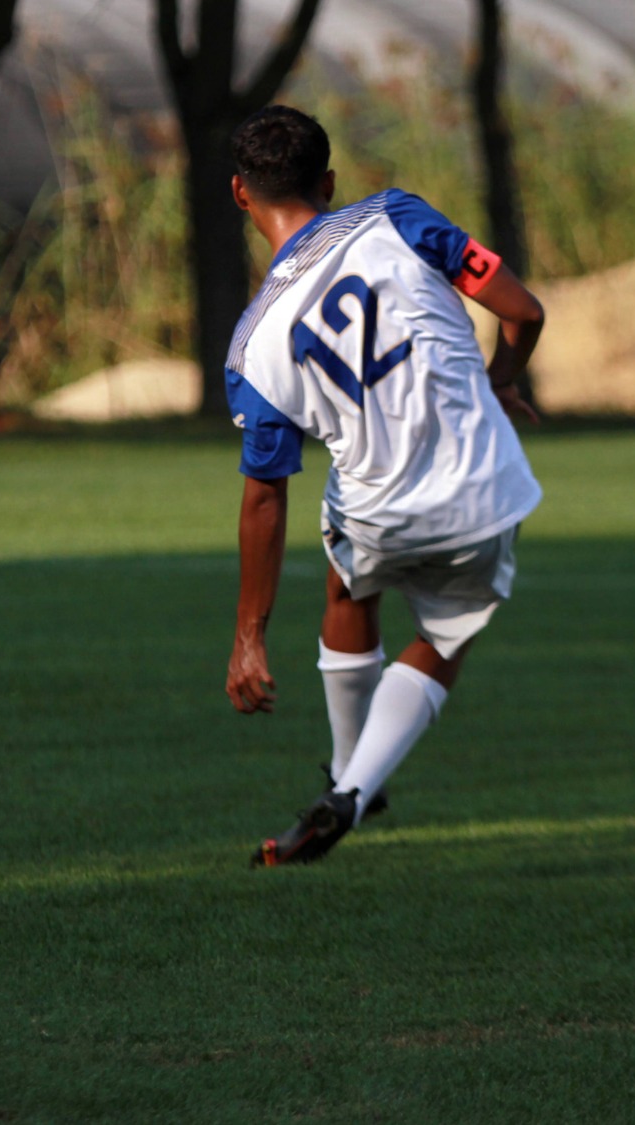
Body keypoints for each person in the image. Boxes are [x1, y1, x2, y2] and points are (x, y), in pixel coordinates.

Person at [220, 105, 546, 866]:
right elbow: (522, 310)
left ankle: (348, 773)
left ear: (240, 194)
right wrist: (500, 382)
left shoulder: (251, 345)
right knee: (442, 634)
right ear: (329, 182)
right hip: (481, 485)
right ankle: (353, 787)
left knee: (347, 583)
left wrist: (249, 637)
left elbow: (265, 495)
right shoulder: (397, 216)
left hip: (371, 504)